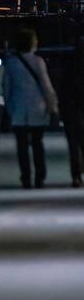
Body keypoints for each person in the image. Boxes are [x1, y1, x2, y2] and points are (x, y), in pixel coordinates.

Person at [2, 28, 59, 189]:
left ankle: (25, 177)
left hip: (18, 109)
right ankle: (40, 177)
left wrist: (9, 108)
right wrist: (52, 106)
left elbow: (6, 88)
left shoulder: (11, 64)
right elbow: (46, 86)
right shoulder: (39, 62)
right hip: (37, 108)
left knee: (21, 146)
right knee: (37, 143)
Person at [56, 36, 84, 188]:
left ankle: (76, 176)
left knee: (73, 145)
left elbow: (63, 90)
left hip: (71, 111)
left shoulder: (68, 67)